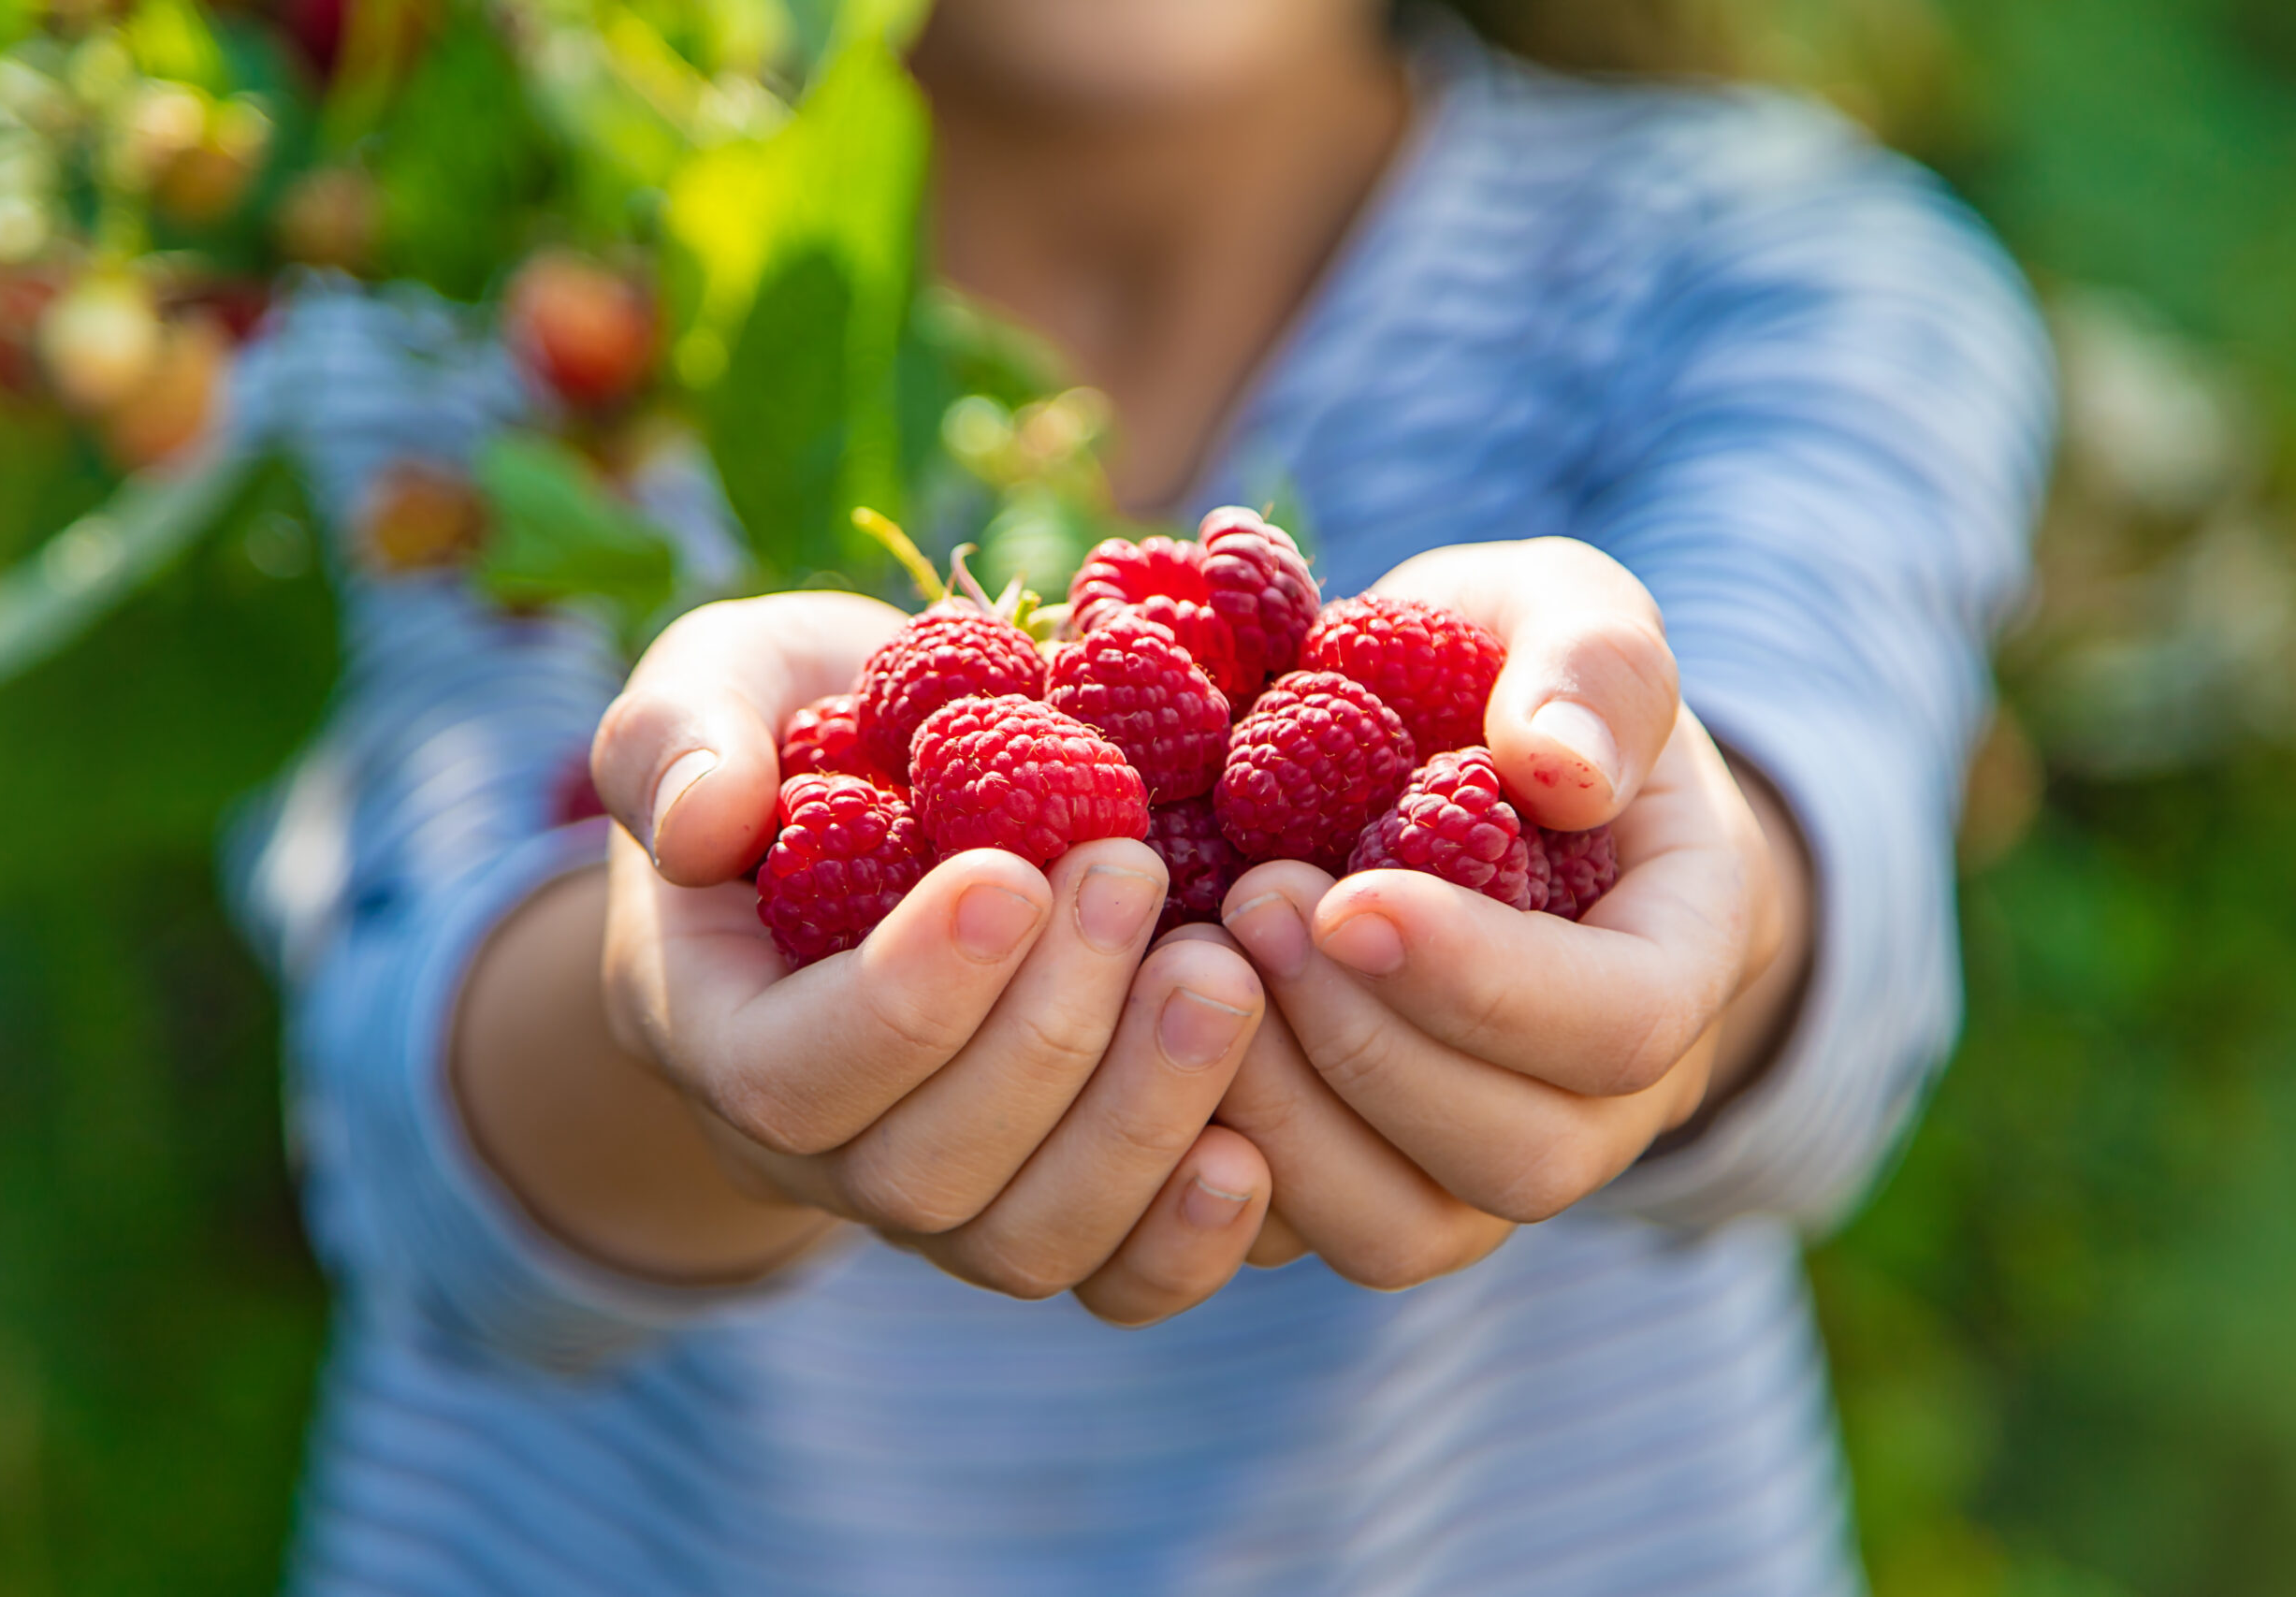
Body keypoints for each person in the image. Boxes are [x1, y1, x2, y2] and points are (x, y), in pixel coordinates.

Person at [230, 2, 2053, 1590]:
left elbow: (1810, 820)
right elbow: (409, 1135)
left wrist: (1675, 891)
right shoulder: (478, 321)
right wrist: (678, 982)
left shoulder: (1760, 265)